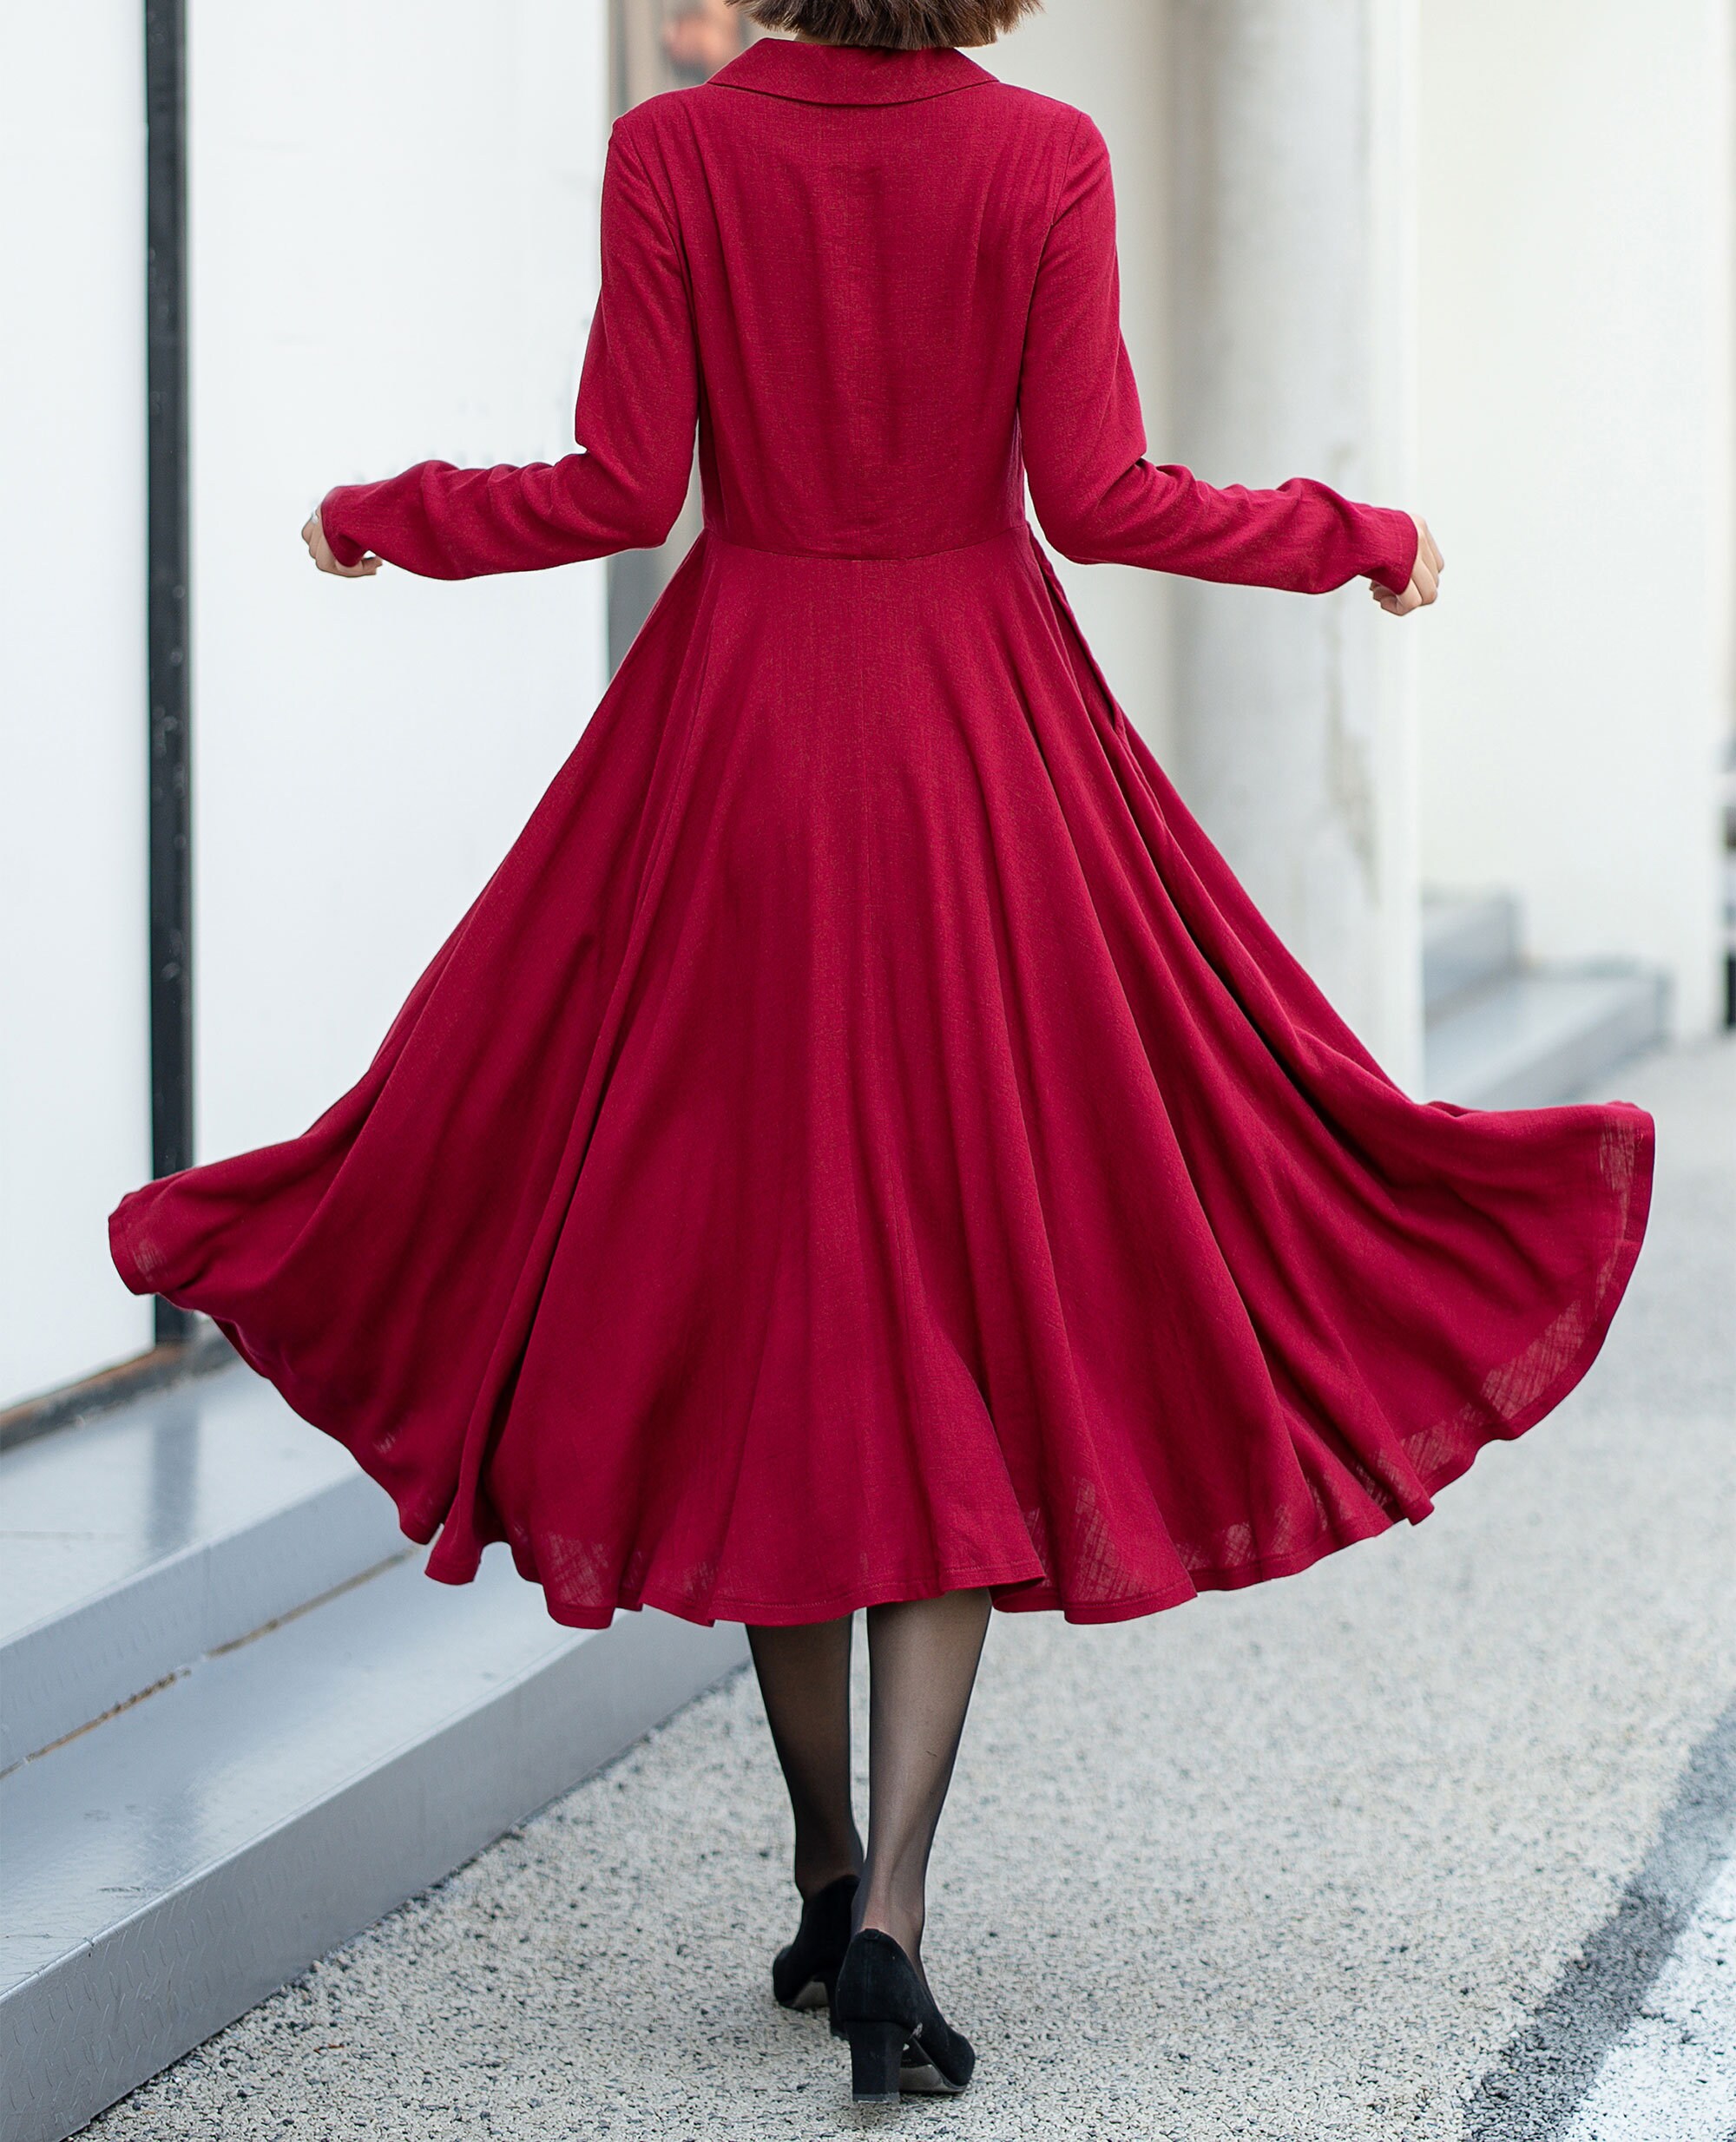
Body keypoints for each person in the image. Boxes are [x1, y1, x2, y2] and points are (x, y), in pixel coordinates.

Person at [109, 0, 1653, 2107]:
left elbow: (620, 486)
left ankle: (828, 1862)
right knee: (950, 1303)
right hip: (973, 764)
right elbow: (1095, 498)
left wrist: (390, 512)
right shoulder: (1040, 156)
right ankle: (893, 1912)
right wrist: (1347, 535)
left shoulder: (681, 150)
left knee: (790, 1308)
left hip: (735, 755)